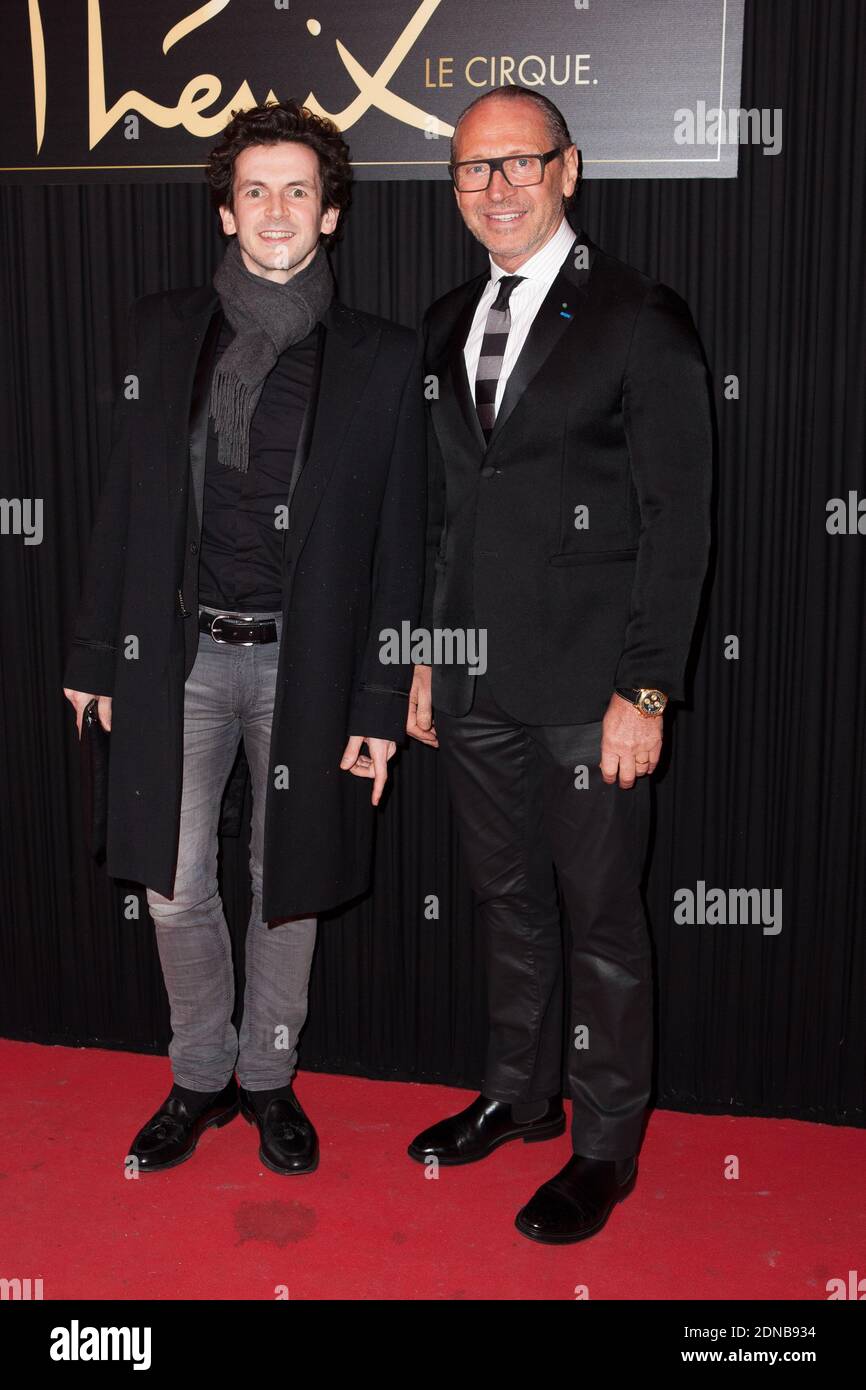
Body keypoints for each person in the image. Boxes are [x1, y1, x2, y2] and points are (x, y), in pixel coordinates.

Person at [63, 99, 425, 1177]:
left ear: (331, 213)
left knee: (289, 881)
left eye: (298, 190)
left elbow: (399, 547)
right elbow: (122, 504)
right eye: (256, 189)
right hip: (177, 659)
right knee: (172, 881)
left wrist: (377, 708)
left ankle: (267, 1078)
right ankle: (197, 1072)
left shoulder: (380, 357)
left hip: (304, 668)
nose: (277, 209)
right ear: (225, 210)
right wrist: (92, 657)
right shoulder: (161, 328)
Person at [406, 85, 712, 1243]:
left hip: (593, 694)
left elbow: (678, 520)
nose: (495, 188)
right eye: (473, 170)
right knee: (504, 902)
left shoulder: (639, 315)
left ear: (567, 168)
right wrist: (428, 663)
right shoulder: (443, 321)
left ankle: (602, 1145)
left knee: (598, 920)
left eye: (518, 163)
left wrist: (643, 689)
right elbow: (441, 515)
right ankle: (516, 1094)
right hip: (475, 680)